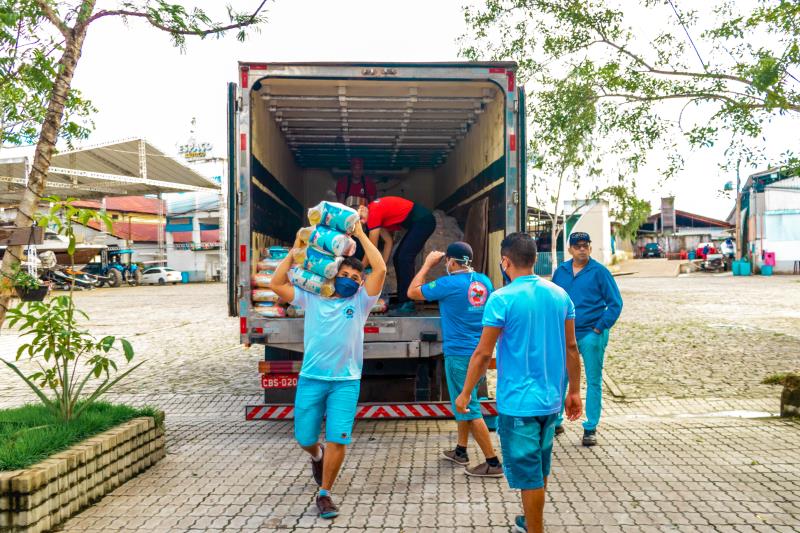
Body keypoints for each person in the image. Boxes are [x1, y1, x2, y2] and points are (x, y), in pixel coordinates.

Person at [455, 232, 583, 533]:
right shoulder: (559, 295)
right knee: (539, 467)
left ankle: (533, 529)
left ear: (504, 261)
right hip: (551, 401)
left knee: (529, 474)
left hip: (518, 405)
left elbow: (484, 353)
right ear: (535, 260)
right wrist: (575, 391)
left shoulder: (501, 299)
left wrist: (465, 392)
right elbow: (572, 348)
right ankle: (530, 518)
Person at [270, 221, 387, 519]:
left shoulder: (361, 301)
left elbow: (381, 270)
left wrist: (360, 234)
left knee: (339, 437)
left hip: (345, 382)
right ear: (333, 275)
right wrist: (296, 249)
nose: (349, 279)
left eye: (355, 276)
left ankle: (325, 493)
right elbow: (277, 284)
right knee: (305, 439)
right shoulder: (313, 296)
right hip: (311, 378)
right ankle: (317, 455)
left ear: (361, 282)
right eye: (344, 274)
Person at [407, 242, 502, 477]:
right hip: (479, 351)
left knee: (468, 405)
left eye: (447, 261)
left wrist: (428, 264)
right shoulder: (484, 281)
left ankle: (492, 462)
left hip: (459, 353)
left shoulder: (448, 284)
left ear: (450, 261)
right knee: (463, 399)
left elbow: (412, 291)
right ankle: (461, 450)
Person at [552, 232, 623, 447]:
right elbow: (553, 299)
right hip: (566, 335)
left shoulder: (600, 272)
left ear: (590, 248)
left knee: (593, 380)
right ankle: (556, 421)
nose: (582, 249)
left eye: (585, 245)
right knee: (560, 378)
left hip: (591, 335)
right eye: (577, 246)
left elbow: (615, 304)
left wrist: (599, 328)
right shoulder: (561, 272)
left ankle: (590, 427)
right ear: (571, 249)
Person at [358, 196, 436, 315]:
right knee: (398, 257)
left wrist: (359, 270)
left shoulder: (373, 212)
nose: (361, 222)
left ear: (363, 208)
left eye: (360, 217)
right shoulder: (374, 213)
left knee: (404, 258)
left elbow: (371, 249)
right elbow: (388, 241)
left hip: (423, 220)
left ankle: (407, 303)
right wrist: (381, 269)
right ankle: (402, 301)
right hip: (419, 222)